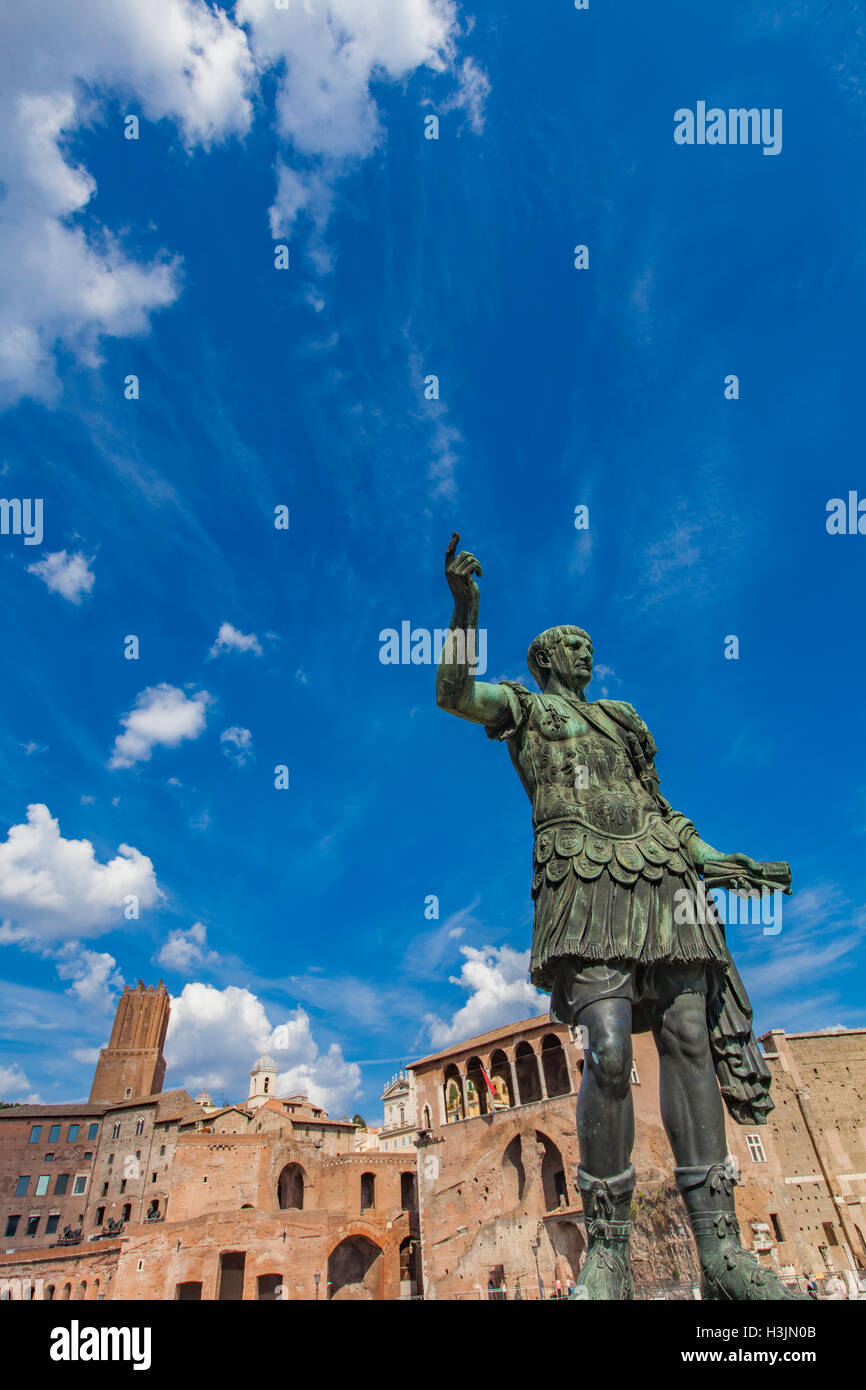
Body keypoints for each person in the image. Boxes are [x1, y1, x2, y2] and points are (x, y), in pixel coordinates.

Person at [436, 535, 805, 1302]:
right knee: (606, 1049)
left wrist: (714, 856)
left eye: (588, 645)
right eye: (572, 644)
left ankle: (723, 1252)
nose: (585, 651)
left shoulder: (621, 719)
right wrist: (465, 606)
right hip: (581, 876)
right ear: (545, 659)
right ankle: (606, 1253)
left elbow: (662, 810)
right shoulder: (525, 709)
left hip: (658, 871)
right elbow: (453, 693)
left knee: (688, 1036)